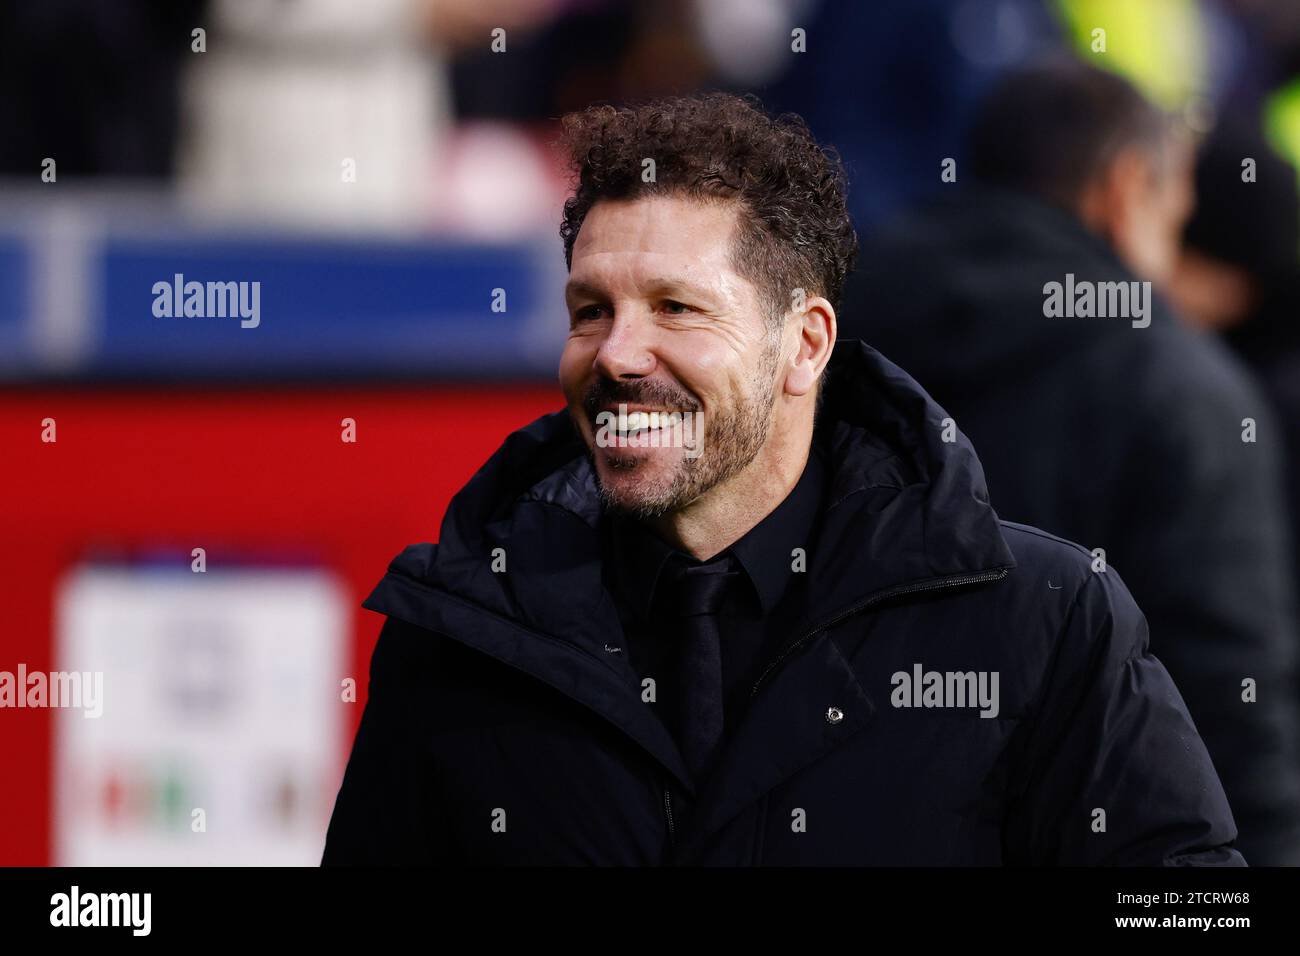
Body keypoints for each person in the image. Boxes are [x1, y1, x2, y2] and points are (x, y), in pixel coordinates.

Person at [322, 91, 1242, 865]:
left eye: (676, 308)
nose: (618, 354)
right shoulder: (464, 632)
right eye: (590, 310)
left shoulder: (1044, 622)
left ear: (804, 345)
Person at [842, 62, 1300, 864]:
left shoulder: (833, 338)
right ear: (1127, 189)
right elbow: (1234, 696)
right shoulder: (1182, 388)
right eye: (1175, 203)